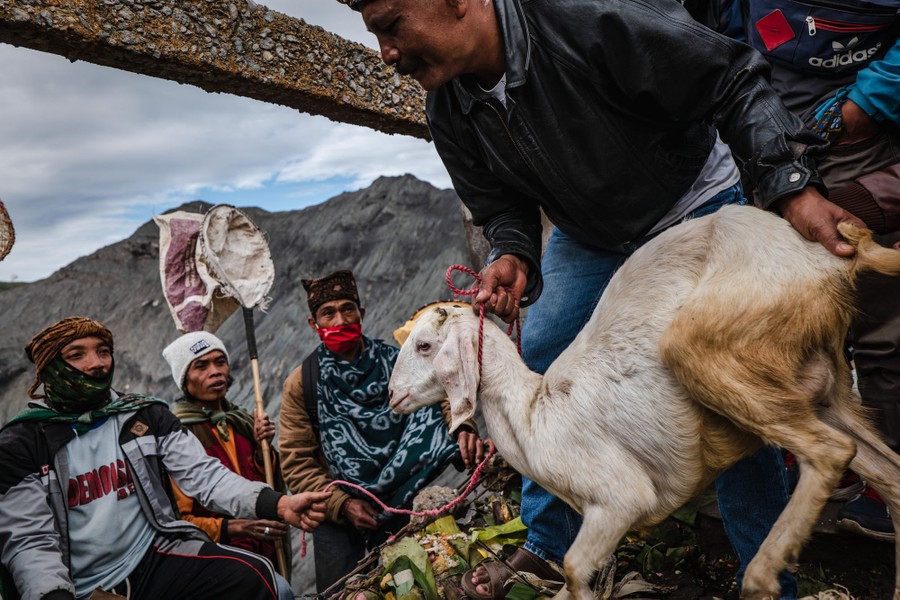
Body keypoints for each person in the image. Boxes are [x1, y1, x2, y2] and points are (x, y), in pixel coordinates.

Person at [338, 0, 873, 597]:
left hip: (692, 201)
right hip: (589, 236)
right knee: (536, 351)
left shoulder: (583, 16)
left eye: (391, 25)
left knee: (723, 386)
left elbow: (728, 75)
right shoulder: (449, 108)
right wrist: (514, 255)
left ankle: (770, 580)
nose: (387, 53)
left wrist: (787, 184)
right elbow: (500, 207)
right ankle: (552, 545)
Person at [684, 0, 900, 544]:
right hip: (765, 134)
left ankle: (885, 479)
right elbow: (726, 21)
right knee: (796, 318)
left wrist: (862, 109)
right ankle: (828, 455)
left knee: (877, 326)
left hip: (857, 137)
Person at [0, 316, 330, 600]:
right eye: (77, 355)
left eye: (103, 351)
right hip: (80, 584)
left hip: (152, 555)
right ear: (50, 368)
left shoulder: (144, 415)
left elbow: (205, 476)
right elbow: (29, 540)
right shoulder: (22, 442)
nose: (97, 363)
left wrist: (280, 504)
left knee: (255, 575)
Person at [278, 270, 485, 593]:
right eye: (327, 313)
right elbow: (296, 461)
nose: (340, 319)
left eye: (348, 308)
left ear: (362, 313)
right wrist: (342, 504)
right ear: (313, 324)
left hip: (401, 500)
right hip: (338, 514)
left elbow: (438, 396)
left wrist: (462, 427)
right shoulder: (302, 383)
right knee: (342, 593)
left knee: (417, 586)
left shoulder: (394, 360)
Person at [162, 331, 290, 570]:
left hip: (265, 546)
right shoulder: (177, 435)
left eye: (220, 362)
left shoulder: (240, 422)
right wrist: (236, 527)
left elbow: (265, 479)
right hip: (219, 556)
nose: (215, 371)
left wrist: (263, 447)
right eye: (201, 366)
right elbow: (181, 519)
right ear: (184, 379)